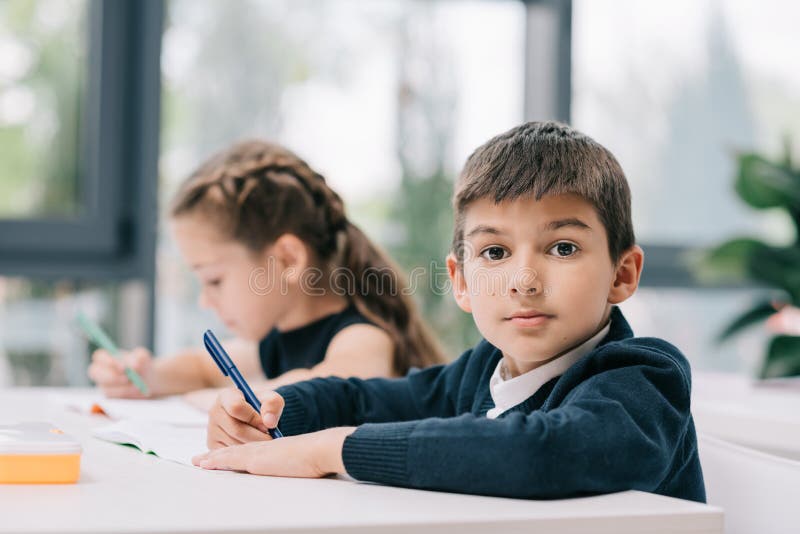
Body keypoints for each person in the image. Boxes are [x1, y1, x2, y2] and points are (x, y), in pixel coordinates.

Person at [193, 122, 706, 502]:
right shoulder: (483, 369)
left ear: (622, 274)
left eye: (563, 248)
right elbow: (368, 399)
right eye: (495, 253)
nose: (523, 280)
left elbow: (544, 454)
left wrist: (333, 450)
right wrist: (275, 408)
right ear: (460, 281)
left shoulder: (644, 378)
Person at [87, 140, 445, 402]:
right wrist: (144, 375)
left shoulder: (364, 340)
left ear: (287, 260)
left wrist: (212, 398)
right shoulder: (278, 338)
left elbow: (317, 391)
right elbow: (203, 368)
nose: (204, 301)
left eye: (214, 280)